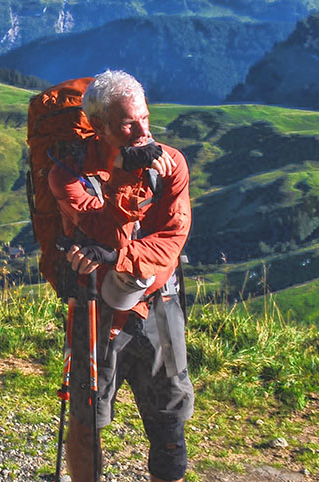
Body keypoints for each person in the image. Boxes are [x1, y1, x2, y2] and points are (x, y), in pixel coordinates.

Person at [55, 70, 193, 482]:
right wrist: (124, 175)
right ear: (98, 126)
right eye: (128, 123)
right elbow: (103, 230)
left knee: (170, 419)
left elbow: (172, 239)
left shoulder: (171, 164)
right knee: (87, 418)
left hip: (158, 304)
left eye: (145, 119)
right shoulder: (67, 174)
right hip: (95, 310)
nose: (142, 131)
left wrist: (116, 257)